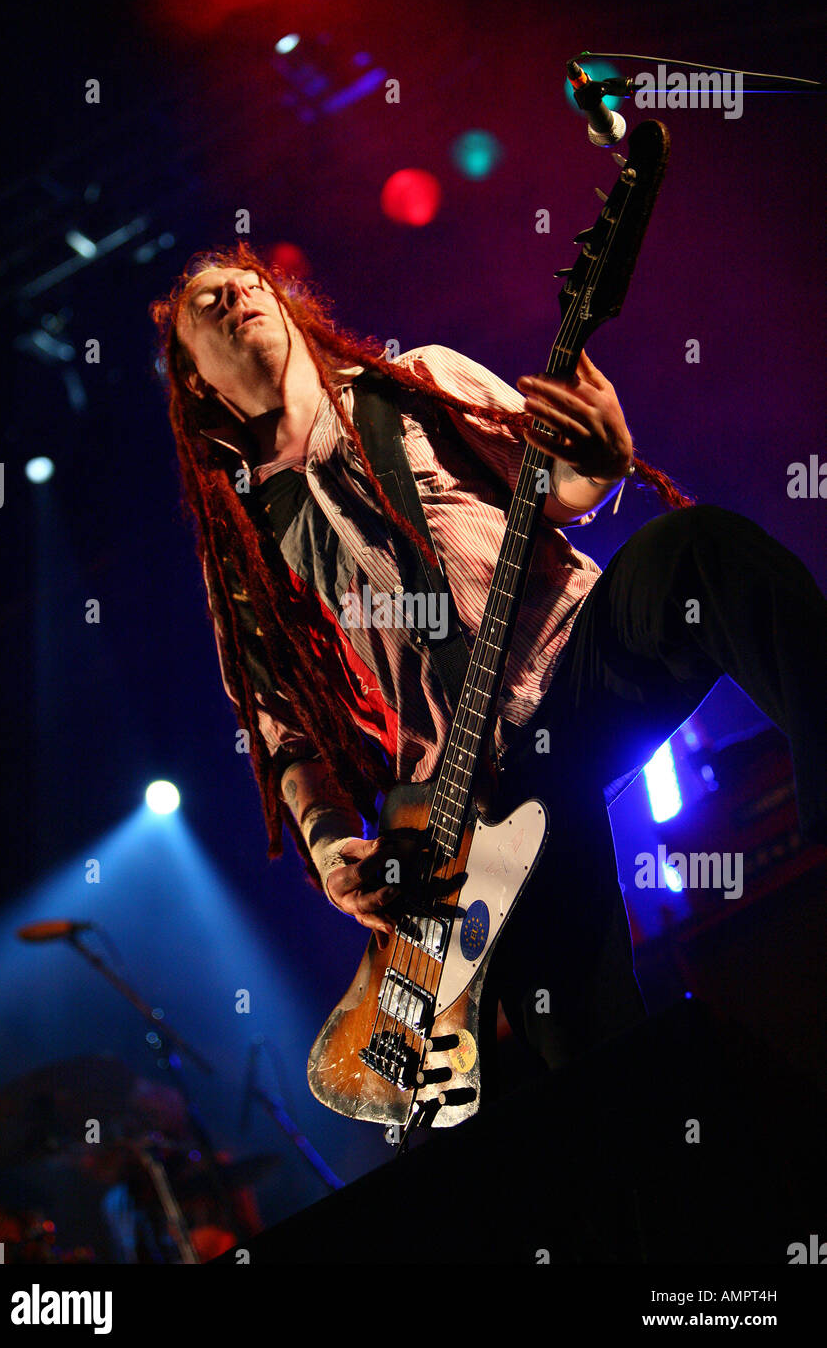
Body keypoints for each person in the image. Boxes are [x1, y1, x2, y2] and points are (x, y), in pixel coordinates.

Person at [150, 244, 827, 1074]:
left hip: (576, 659)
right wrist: (332, 857)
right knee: (592, 1061)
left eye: (252, 284)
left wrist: (600, 461)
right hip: (474, 798)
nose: (240, 295)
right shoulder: (243, 553)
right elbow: (286, 737)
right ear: (192, 378)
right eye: (210, 302)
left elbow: (556, 489)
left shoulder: (414, 385)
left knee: (701, 550)